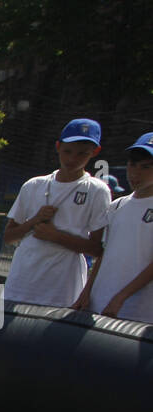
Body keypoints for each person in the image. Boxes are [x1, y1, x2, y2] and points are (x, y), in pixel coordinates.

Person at [3, 119, 109, 308]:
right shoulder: (34, 185)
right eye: (67, 151)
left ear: (95, 152)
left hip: (62, 286)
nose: (72, 159)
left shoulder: (97, 191)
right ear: (58, 147)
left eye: (82, 154)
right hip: (21, 280)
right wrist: (34, 221)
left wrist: (55, 236)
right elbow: (9, 237)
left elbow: (97, 249)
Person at [73, 132, 153, 321]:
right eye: (132, 164)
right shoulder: (117, 205)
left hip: (135, 312)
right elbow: (104, 253)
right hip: (98, 304)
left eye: (146, 167)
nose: (135, 173)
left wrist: (121, 297)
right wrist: (87, 290)